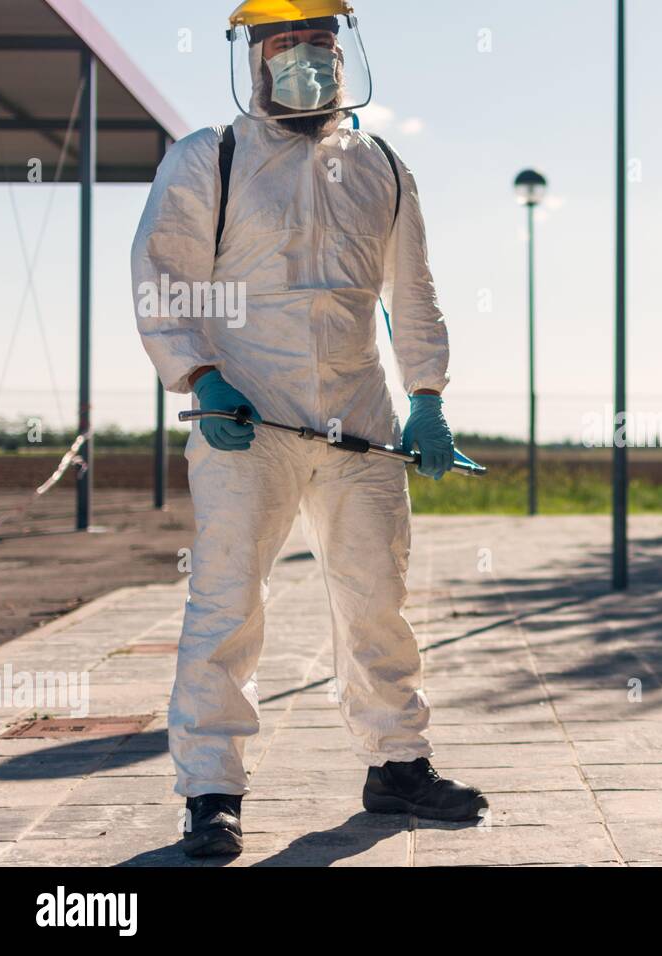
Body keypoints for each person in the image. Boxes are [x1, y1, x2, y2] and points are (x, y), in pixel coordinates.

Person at [131, 0, 486, 859]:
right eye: (288, 44)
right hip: (247, 420)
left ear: (345, 50)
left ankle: (397, 763)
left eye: (321, 43)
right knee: (227, 601)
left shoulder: (382, 167)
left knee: (379, 599)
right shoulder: (210, 158)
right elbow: (163, 278)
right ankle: (212, 789)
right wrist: (202, 377)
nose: (309, 60)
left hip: (363, 420)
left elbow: (414, 292)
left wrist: (428, 396)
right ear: (254, 57)